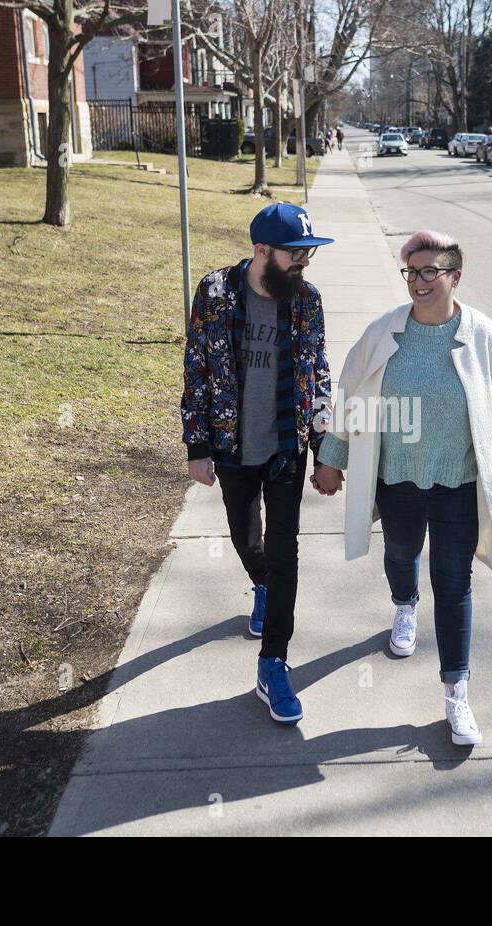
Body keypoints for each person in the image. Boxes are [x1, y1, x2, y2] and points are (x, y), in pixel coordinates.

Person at [312, 230, 492, 746]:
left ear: (455, 275)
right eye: (412, 271)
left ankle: (456, 693)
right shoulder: (384, 334)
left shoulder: (484, 338)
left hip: (459, 481)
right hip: (398, 475)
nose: (420, 281)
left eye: (431, 271)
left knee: (454, 583)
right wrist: (332, 458)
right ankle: (404, 605)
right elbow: (352, 394)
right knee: (402, 552)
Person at [181, 202, 335, 725]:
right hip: (230, 447)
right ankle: (261, 586)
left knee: (285, 550)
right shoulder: (216, 293)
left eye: (309, 254)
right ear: (262, 251)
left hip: (285, 447)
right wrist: (197, 446)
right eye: (297, 255)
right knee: (249, 540)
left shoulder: (306, 302)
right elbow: (196, 368)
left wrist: (325, 451)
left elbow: (319, 376)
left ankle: (273, 662)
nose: (305, 264)